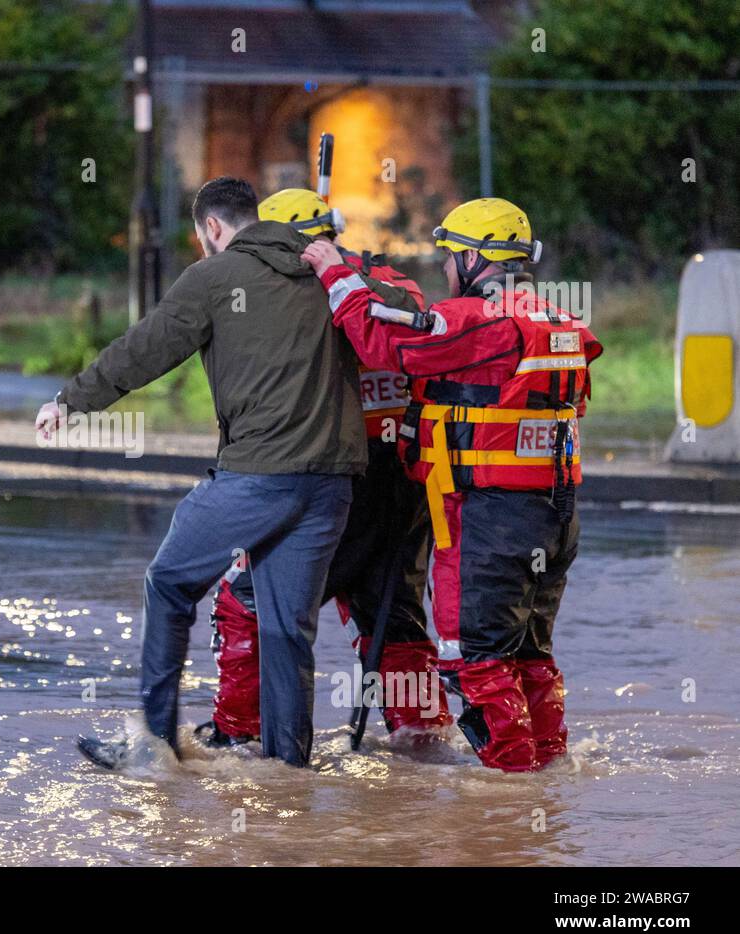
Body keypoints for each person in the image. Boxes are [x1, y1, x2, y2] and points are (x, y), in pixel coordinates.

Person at [37, 176, 364, 768]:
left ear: (212, 228)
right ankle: (287, 773)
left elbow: (146, 348)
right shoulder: (329, 271)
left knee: (168, 583)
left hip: (258, 475)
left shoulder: (215, 277)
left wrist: (70, 401)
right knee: (286, 631)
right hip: (333, 482)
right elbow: (401, 313)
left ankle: (155, 745)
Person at [302, 197, 602, 772]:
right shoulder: (561, 321)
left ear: (472, 257)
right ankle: (550, 775)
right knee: (530, 656)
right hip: (555, 516)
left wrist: (333, 270)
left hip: (490, 520)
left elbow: (383, 342)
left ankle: (511, 793)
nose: (443, 269)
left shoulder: (480, 319)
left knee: (477, 662)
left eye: (448, 256)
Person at [201, 188, 451, 747]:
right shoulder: (391, 283)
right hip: (406, 482)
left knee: (245, 601)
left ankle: (237, 738)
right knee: (394, 616)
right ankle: (423, 739)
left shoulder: (295, 301)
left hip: (335, 477)